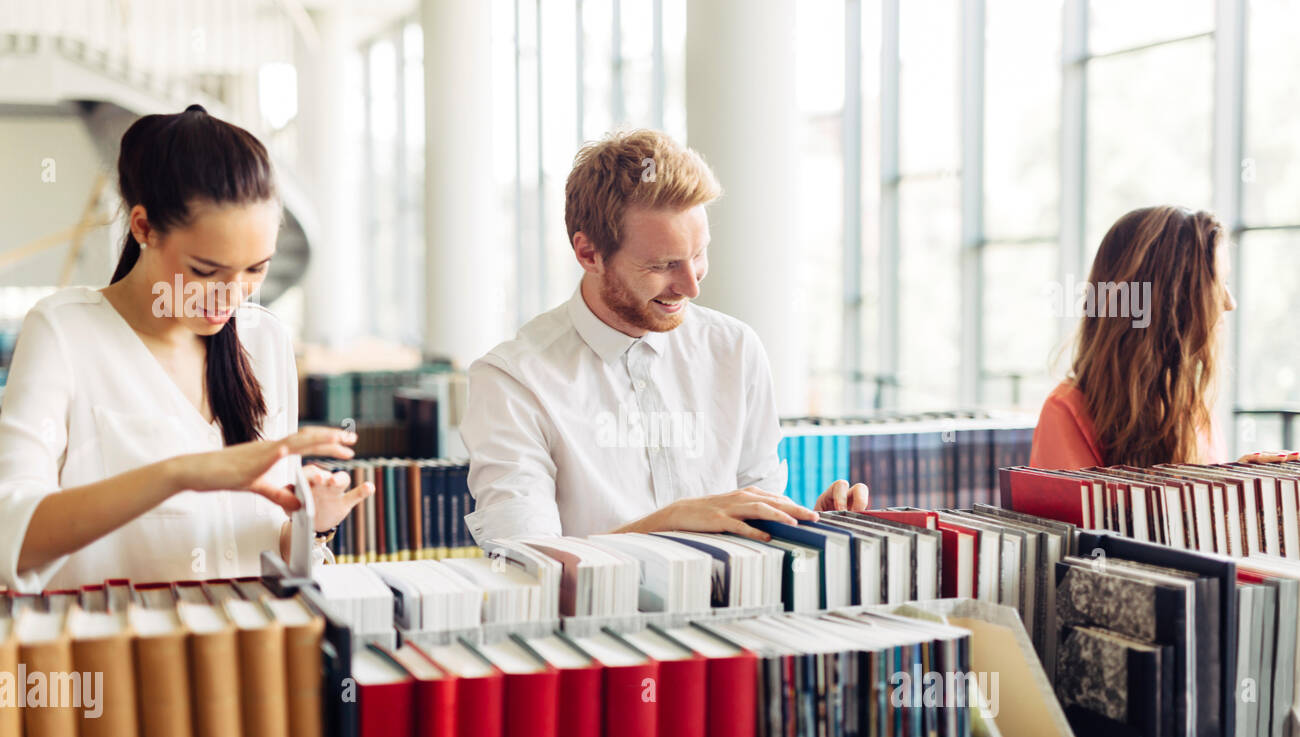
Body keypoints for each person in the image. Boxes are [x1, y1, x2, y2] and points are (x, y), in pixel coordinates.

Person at [0, 105, 372, 592]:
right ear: (143, 228)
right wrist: (180, 474)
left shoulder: (265, 340)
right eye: (205, 271)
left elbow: (253, 548)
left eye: (255, 269)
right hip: (119, 652)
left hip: (243, 649)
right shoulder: (64, 333)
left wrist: (311, 524)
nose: (233, 296)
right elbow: (12, 535)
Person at [459, 129, 868, 545]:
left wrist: (803, 527)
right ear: (589, 254)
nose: (691, 287)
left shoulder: (736, 349)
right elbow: (526, 562)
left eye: (698, 255)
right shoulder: (512, 381)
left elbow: (754, 521)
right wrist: (673, 521)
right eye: (663, 265)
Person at [1031, 205, 1296, 469]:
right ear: (1170, 300)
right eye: (1215, 283)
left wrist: (1241, 487)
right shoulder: (1065, 412)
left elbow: (1192, 507)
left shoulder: (1191, 404)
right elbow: (1090, 513)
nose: (1229, 302)